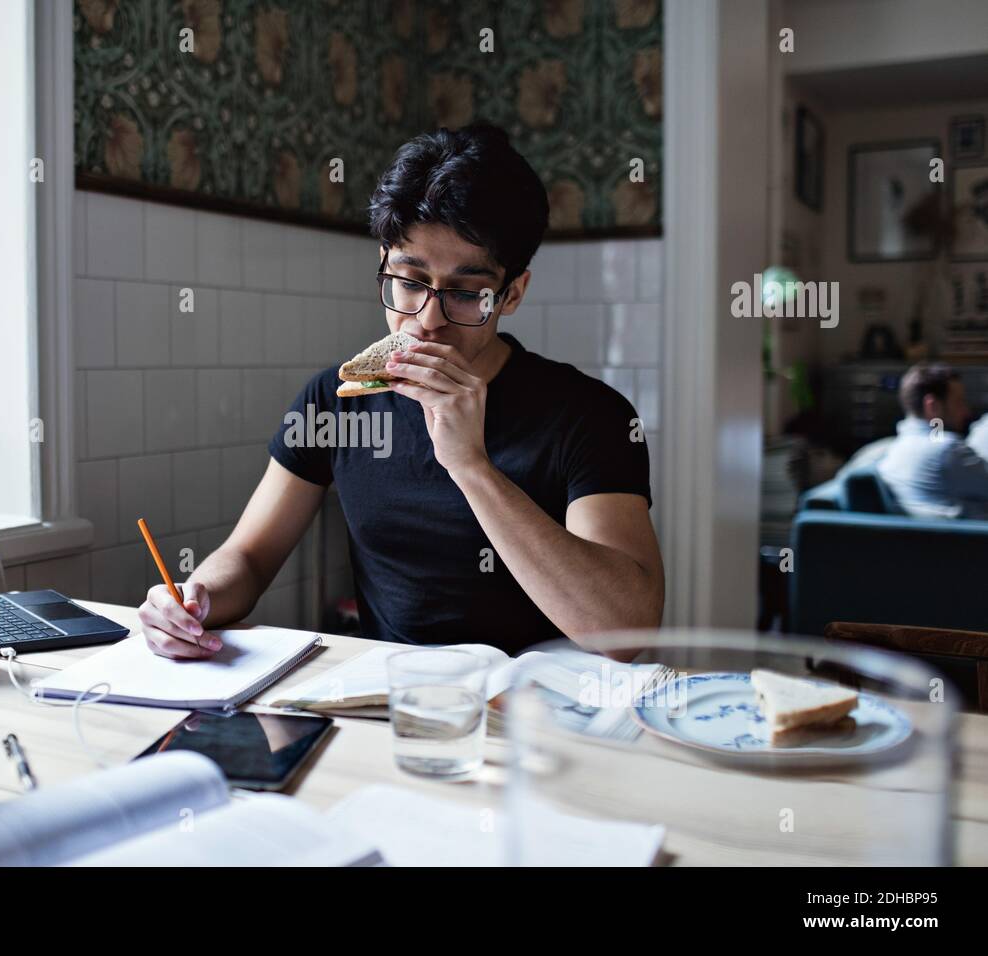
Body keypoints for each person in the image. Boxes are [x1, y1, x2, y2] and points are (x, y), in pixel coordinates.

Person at [138, 123, 663, 658]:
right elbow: (249, 558)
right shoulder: (334, 401)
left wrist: (471, 466)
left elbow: (624, 629)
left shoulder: (589, 415)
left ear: (511, 294)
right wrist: (195, 599)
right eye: (409, 282)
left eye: (464, 292)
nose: (428, 320)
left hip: (536, 707)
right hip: (391, 699)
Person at [876, 363, 988, 519]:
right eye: (958, 402)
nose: (966, 412)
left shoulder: (894, 450)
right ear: (933, 406)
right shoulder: (948, 450)